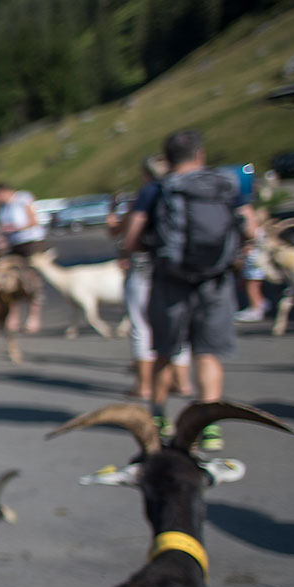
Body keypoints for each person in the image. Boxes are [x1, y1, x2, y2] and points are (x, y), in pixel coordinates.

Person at [140, 129, 256, 451]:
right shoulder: (225, 186)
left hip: (170, 281)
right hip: (215, 282)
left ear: (167, 158)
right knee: (208, 354)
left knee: (164, 352)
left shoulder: (157, 190)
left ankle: (158, 419)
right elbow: (250, 228)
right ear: (200, 154)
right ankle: (210, 427)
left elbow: (133, 236)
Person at [113, 156, 193, 414]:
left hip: (146, 268)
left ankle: (145, 386)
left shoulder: (148, 194)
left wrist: (127, 248)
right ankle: (183, 381)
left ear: (146, 174)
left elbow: (126, 235)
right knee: (178, 324)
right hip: (180, 268)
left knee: (141, 325)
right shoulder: (185, 192)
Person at [0, 182, 46, 334]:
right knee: (11, 279)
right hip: (13, 244)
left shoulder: (23, 199)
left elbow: (33, 220)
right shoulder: (3, 208)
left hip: (30, 242)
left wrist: (15, 228)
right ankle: (13, 316)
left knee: (32, 278)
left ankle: (34, 317)